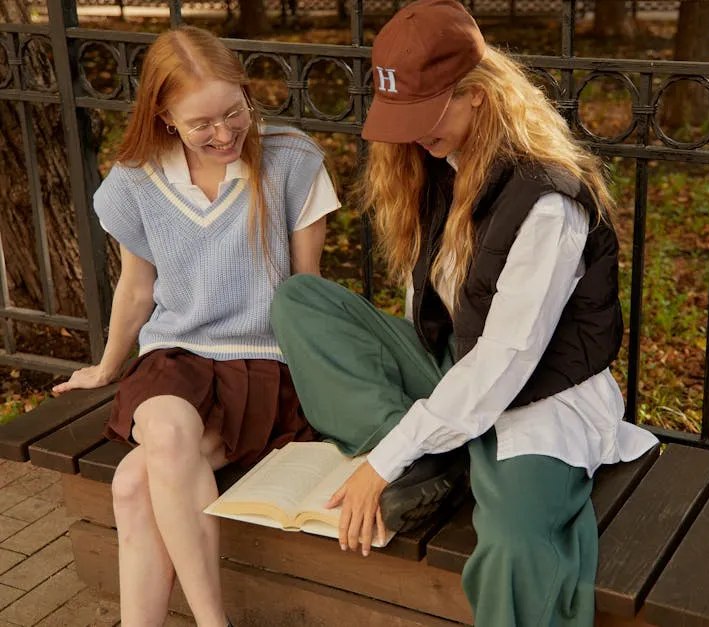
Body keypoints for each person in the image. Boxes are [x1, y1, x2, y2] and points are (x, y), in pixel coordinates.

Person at [270, 0, 659, 624]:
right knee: (301, 301)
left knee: (516, 547)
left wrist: (382, 462)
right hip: (458, 370)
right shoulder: (436, 168)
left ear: (479, 93)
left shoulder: (545, 202)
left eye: (430, 111)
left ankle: (432, 457)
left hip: (540, 398)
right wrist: (411, 435)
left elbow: (507, 362)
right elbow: (441, 319)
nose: (418, 132)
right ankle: (441, 457)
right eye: (405, 115)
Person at [52, 25, 340, 627]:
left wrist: (328, 390)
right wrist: (107, 367)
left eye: (234, 111)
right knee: (167, 431)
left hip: (264, 361)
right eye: (202, 123)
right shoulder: (137, 180)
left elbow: (305, 292)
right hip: (176, 358)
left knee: (134, 488)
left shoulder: (290, 158)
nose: (226, 133)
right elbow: (137, 287)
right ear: (164, 116)